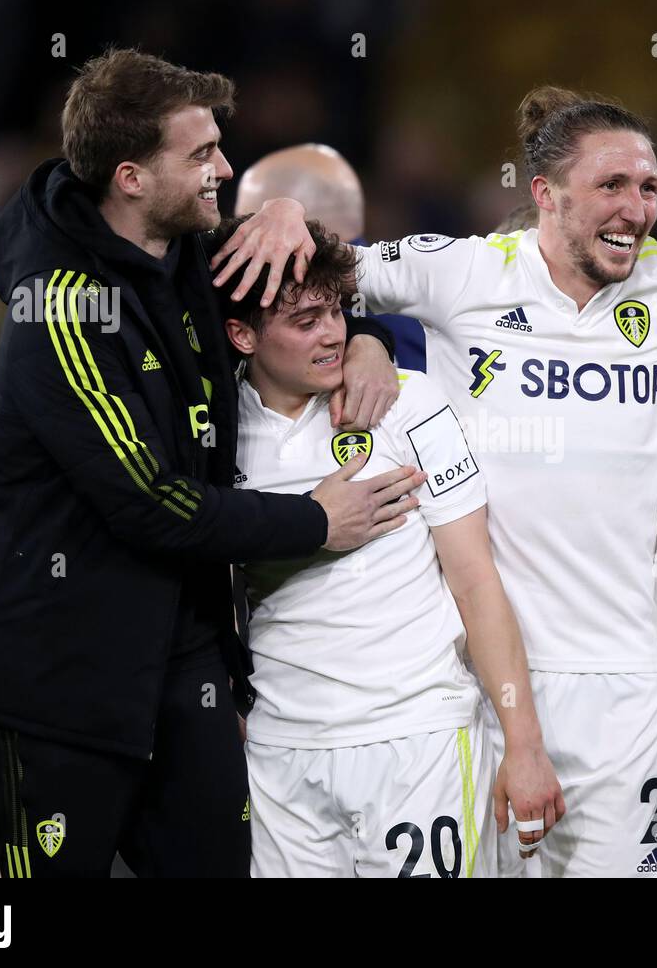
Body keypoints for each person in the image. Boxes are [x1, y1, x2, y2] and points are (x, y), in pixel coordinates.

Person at [265, 87, 657, 876]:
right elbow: (316, 284)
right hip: (476, 684)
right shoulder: (458, 272)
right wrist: (357, 328)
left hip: (626, 688)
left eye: (650, 188)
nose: (637, 208)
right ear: (546, 196)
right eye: (612, 187)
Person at [0, 49, 414, 878]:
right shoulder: (62, 308)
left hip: (185, 667)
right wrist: (316, 521)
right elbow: (149, 504)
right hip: (64, 680)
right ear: (131, 177)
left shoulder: (195, 252)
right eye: (202, 154)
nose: (225, 168)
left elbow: (314, 308)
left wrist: (369, 342)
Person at [223, 220, 563, 876]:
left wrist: (523, 743)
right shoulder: (216, 431)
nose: (330, 334)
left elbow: (474, 580)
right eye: (303, 320)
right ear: (242, 335)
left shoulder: (409, 404)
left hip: (415, 738)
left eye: (336, 313)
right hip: (279, 750)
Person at [235, 143, 428, 372]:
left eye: (253, 222)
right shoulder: (424, 297)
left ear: (296, 221)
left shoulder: (298, 313)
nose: (242, 235)